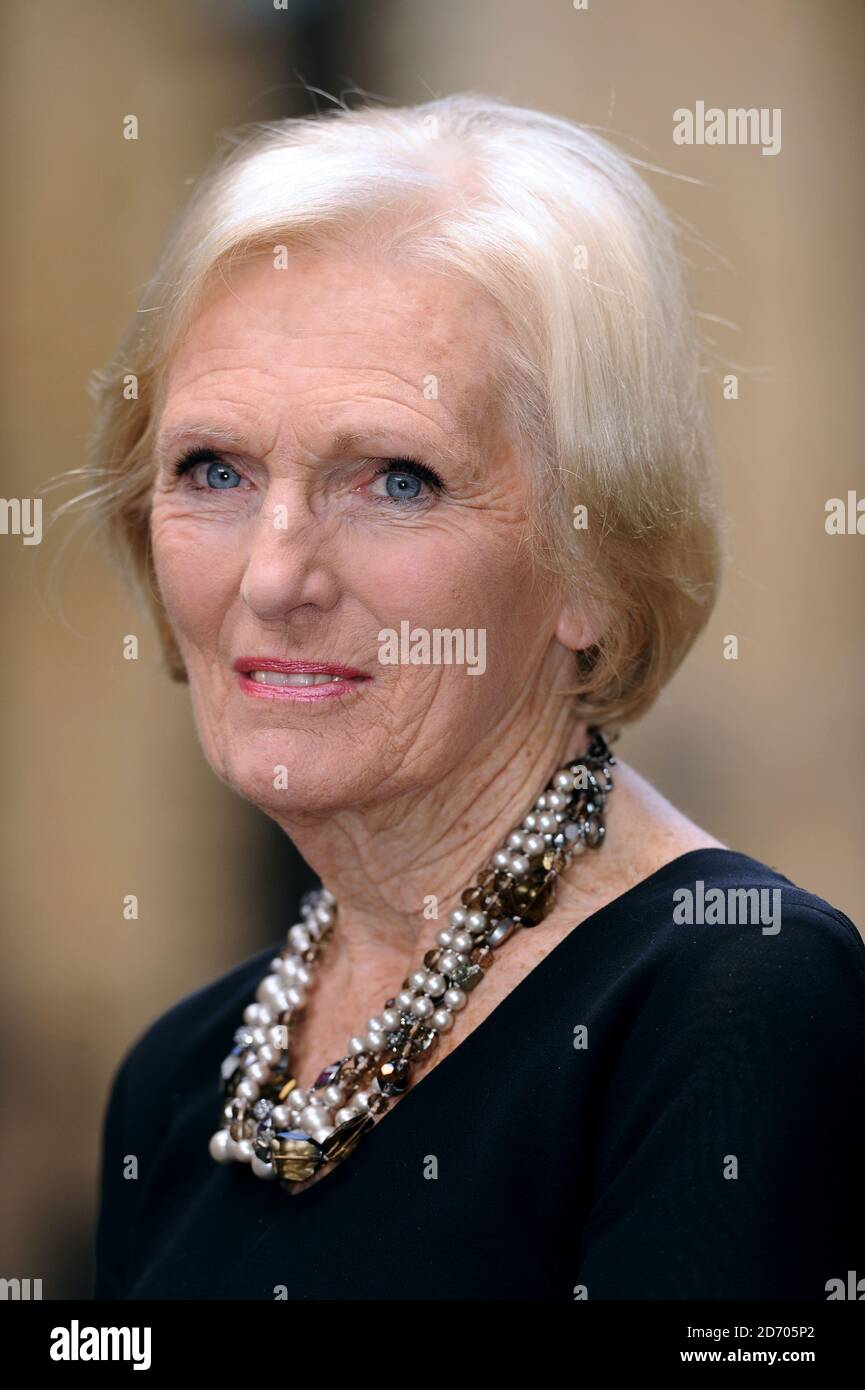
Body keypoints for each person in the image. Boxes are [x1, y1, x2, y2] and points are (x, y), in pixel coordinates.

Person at [85, 93, 864, 1299]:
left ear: (594, 567)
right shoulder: (182, 1076)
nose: (275, 571)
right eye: (215, 469)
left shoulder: (734, 1000)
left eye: (396, 479)